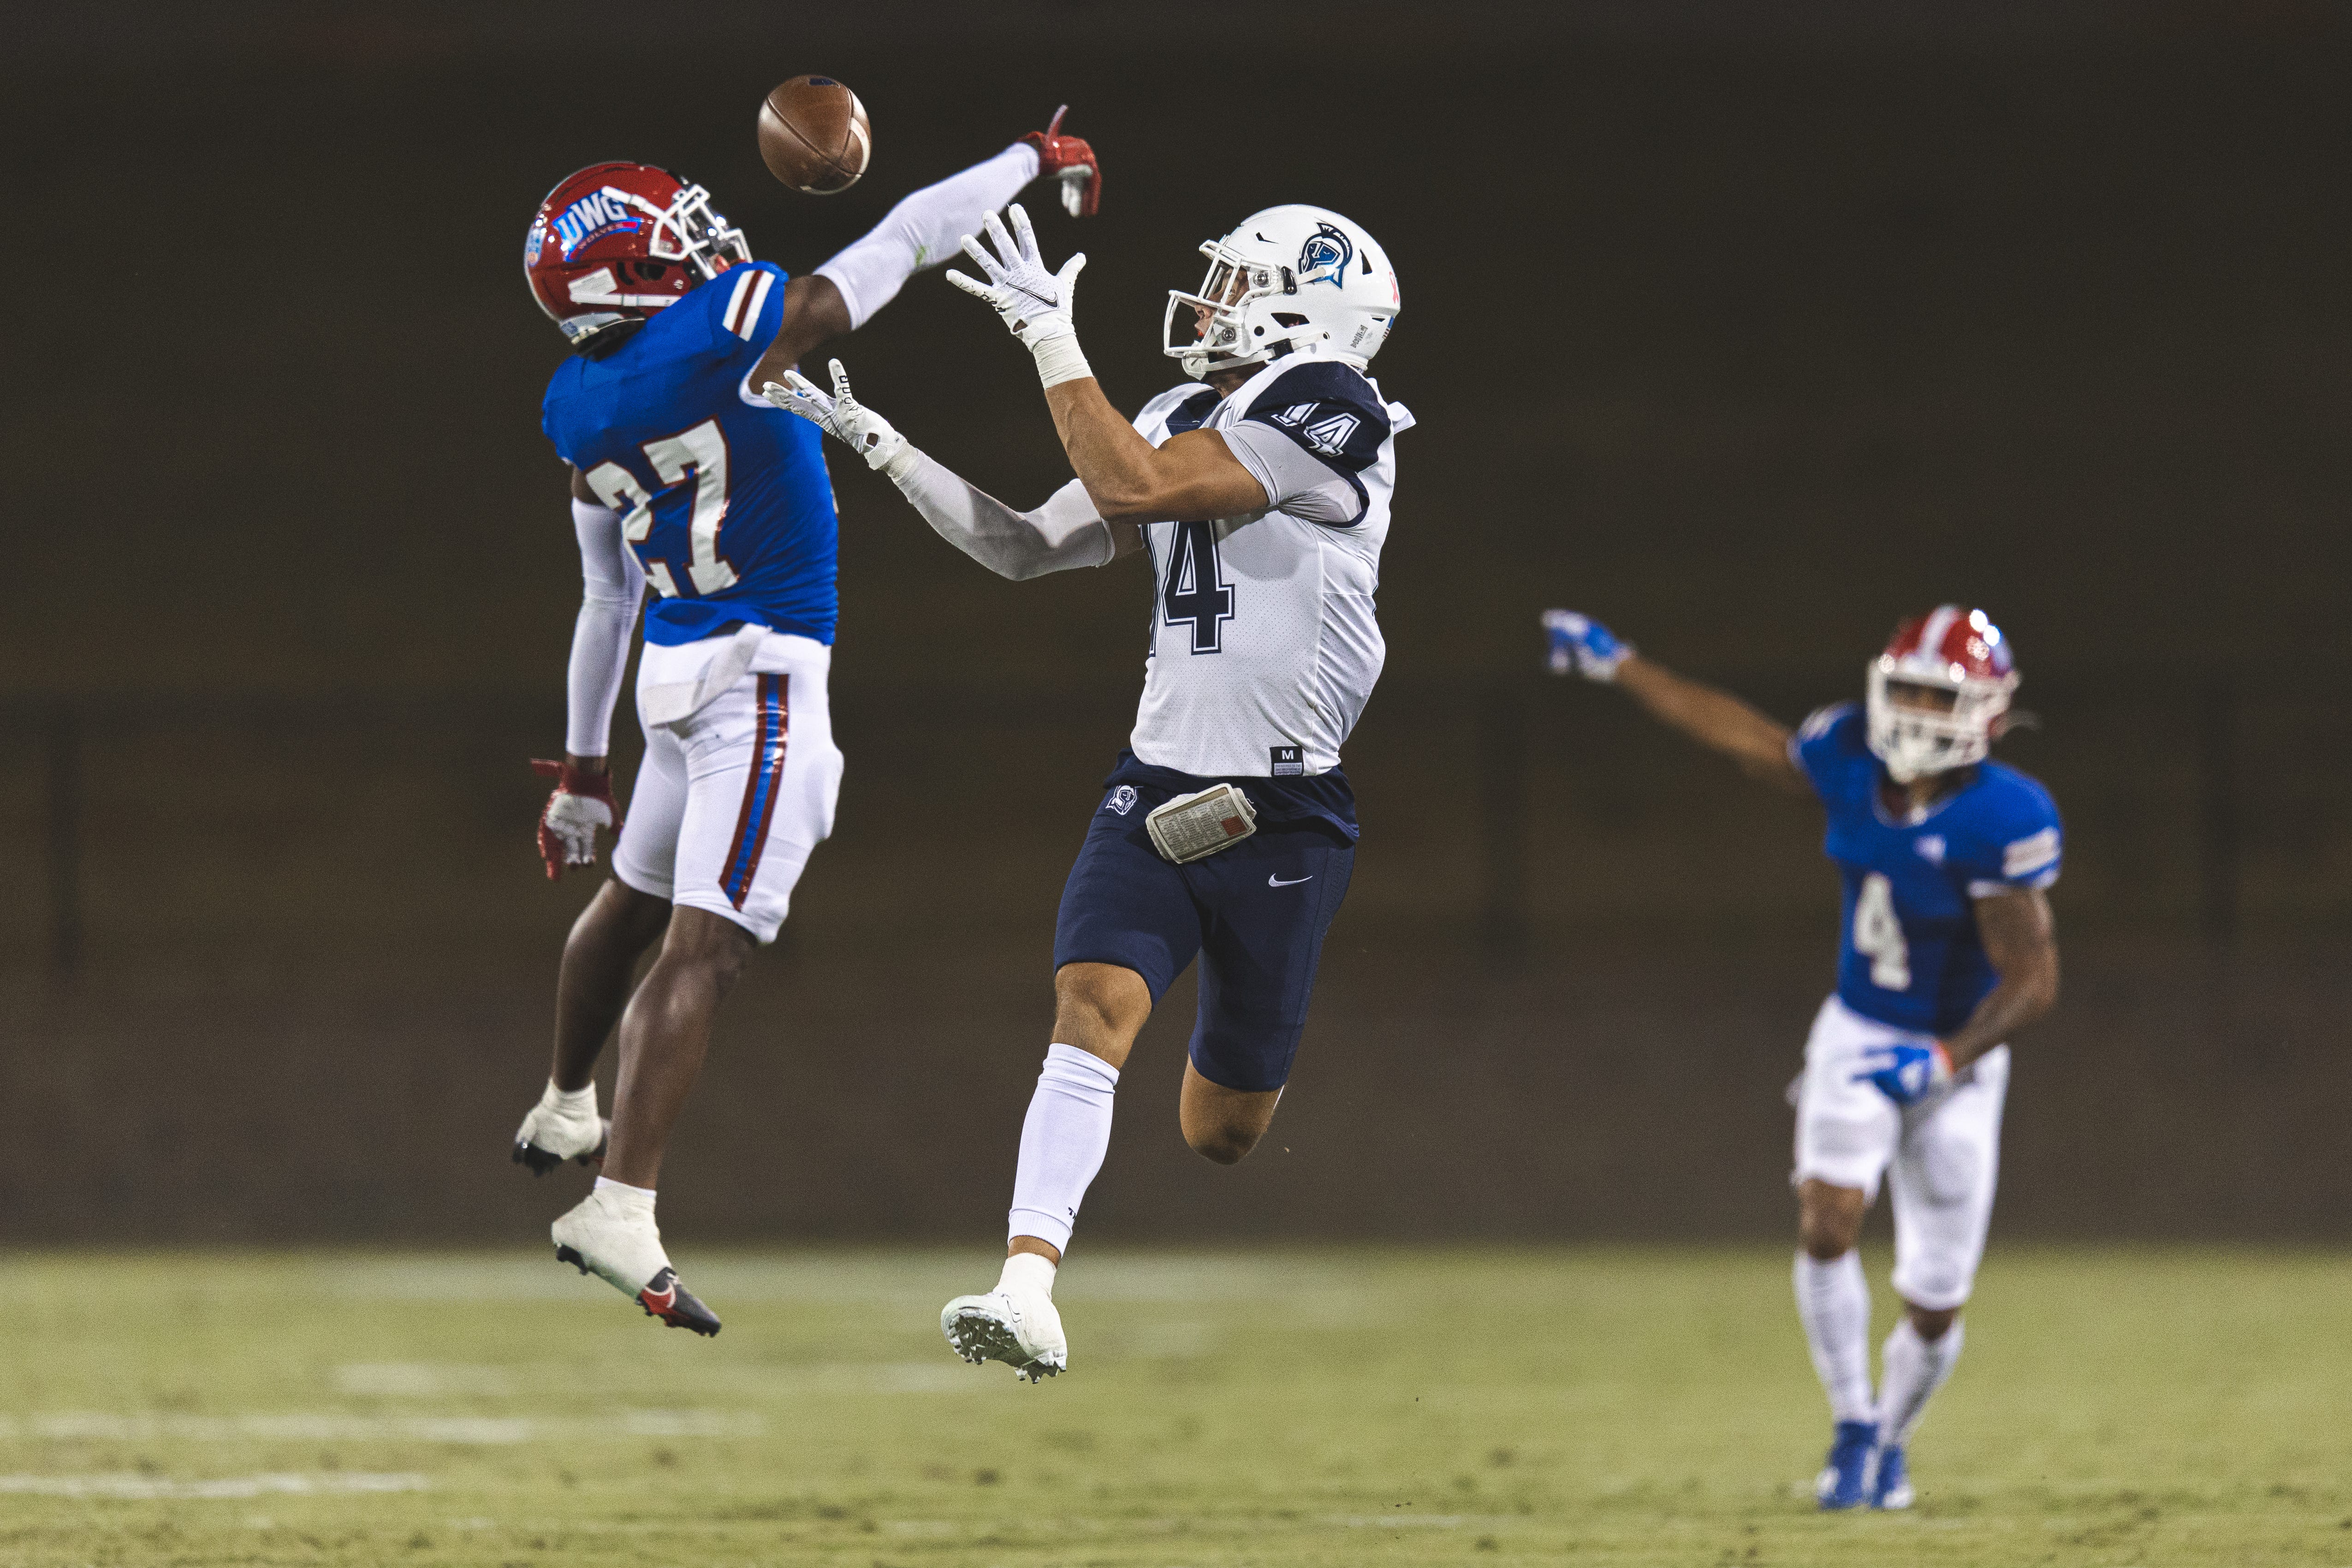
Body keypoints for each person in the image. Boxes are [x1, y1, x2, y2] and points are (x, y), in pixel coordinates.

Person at [770, 202, 1408, 1380]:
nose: (1211, 301)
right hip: (1156, 784)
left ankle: (1057, 1255)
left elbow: (1141, 487)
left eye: (1239, 282)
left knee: (1222, 1129)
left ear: (1307, 309)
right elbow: (1026, 545)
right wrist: (883, 445)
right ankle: (1027, 1286)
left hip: (1285, 815)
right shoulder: (1174, 412)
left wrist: (1050, 340)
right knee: (1090, 1003)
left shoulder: (1337, 407)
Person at [508, 117, 1101, 1336]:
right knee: (706, 948)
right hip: (760, 677)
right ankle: (619, 1203)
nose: (705, 242)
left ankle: (565, 1101)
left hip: (671, 674)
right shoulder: (717, 328)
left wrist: (581, 767)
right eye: (674, 236)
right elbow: (900, 242)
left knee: (629, 902)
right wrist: (1023, 164)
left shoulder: (575, 401)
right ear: (632, 273)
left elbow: (605, 595)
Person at [1541, 606, 2062, 1507]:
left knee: (1936, 1299)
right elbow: (1747, 738)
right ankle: (1853, 1422)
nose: (1914, 712)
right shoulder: (1850, 753)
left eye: (1937, 696)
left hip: (1958, 1055)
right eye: (1906, 690)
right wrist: (1621, 664)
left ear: (1986, 710)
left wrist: (1946, 1059)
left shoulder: (2004, 816)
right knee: (1827, 1220)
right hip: (1859, 1028)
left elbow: (2034, 979)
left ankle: (1892, 1439)